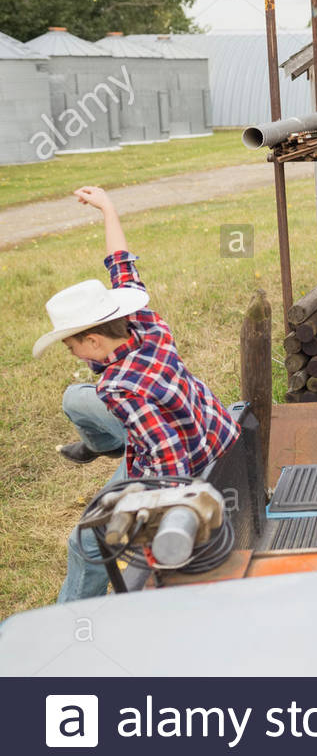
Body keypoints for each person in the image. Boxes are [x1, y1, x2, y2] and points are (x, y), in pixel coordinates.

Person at [34, 186, 239, 602]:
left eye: (70, 344)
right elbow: (121, 266)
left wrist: (150, 530)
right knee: (76, 396)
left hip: (185, 463)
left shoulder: (118, 389)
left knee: (85, 543)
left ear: (93, 341)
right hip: (210, 427)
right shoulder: (144, 322)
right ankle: (104, 444)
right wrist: (107, 207)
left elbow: (168, 462)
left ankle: (70, 623)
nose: (70, 351)